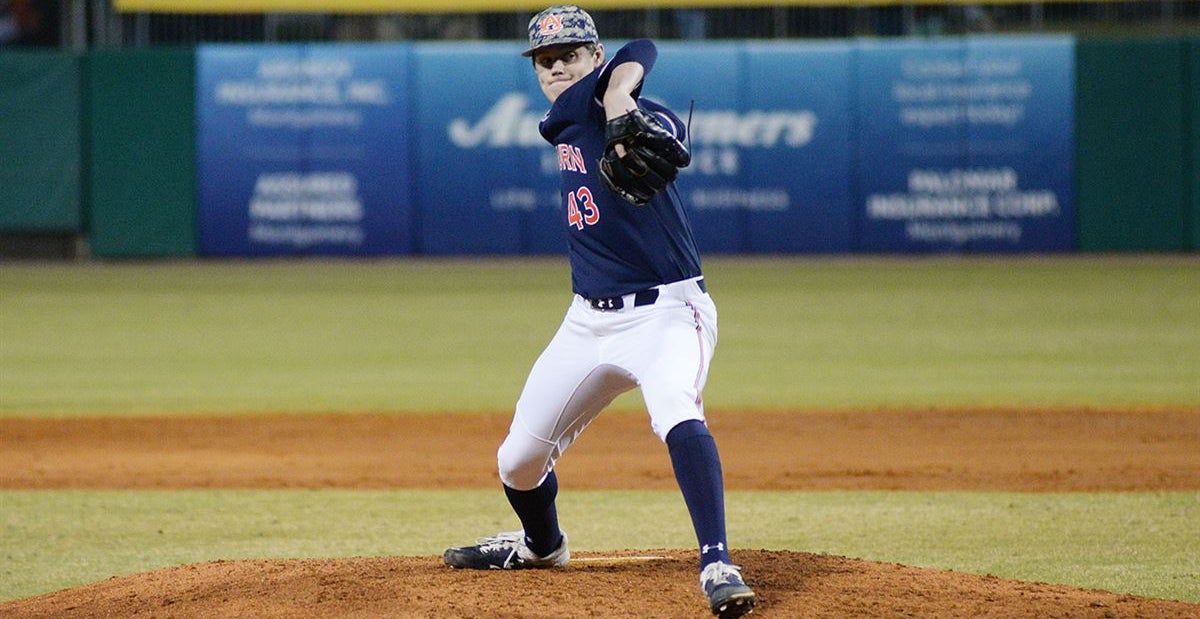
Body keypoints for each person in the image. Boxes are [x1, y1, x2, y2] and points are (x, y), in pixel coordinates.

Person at [442, 5, 756, 618]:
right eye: (545, 59)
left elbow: (647, 64)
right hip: (587, 322)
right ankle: (541, 547)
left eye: (571, 54)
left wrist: (625, 108)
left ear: (596, 56)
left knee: (676, 411)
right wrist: (612, 94)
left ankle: (716, 559)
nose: (557, 66)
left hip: (667, 312)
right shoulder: (562, 120)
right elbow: (633, 58)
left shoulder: (624, 103)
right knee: (517, 461)